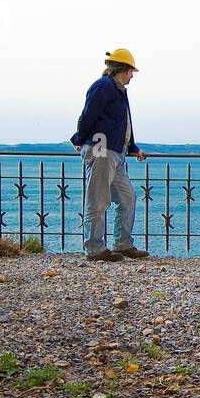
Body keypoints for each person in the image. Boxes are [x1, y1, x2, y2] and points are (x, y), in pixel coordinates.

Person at [71, 48, 149, 262]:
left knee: (127, 198)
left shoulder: (118, 90)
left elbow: (124, 123)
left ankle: (122, 244)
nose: (132, 75)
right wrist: (79, 139)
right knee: (97, 200)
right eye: (131, 71)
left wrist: (132, 147)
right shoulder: (103, 86)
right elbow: (88, 114)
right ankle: (94, 249)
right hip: (101, 147)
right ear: (121, 69)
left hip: (115, 150)